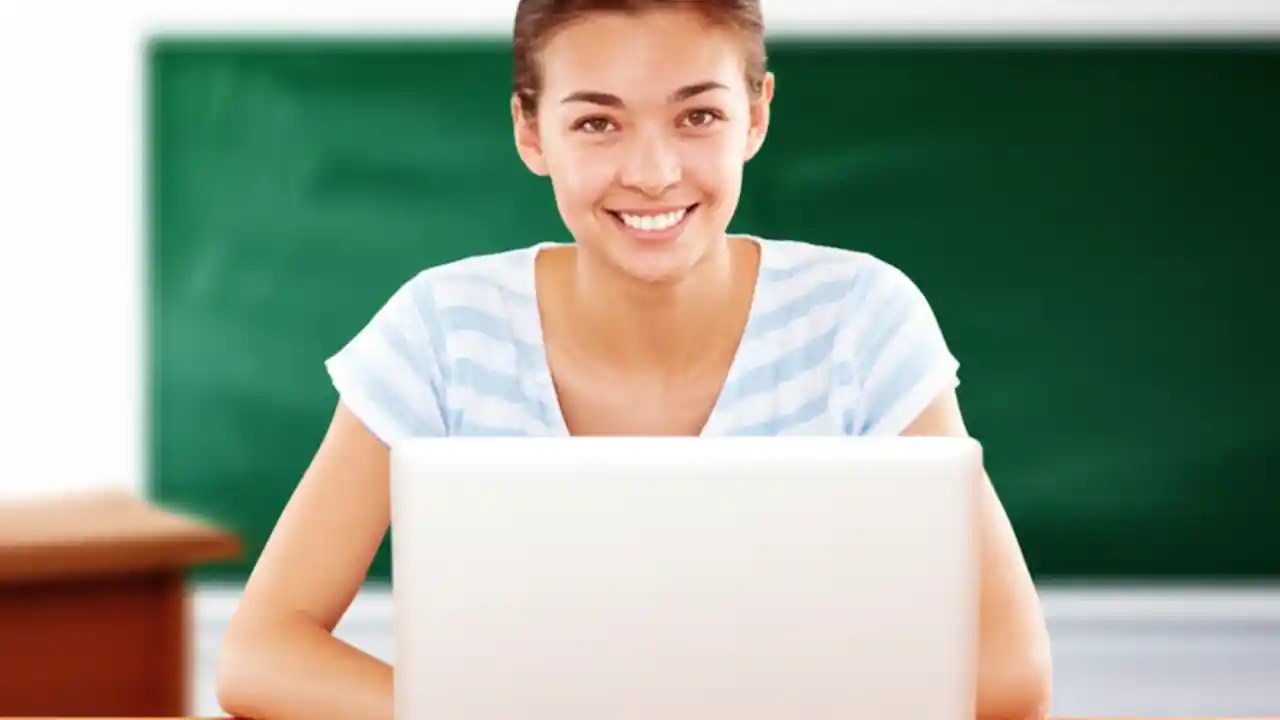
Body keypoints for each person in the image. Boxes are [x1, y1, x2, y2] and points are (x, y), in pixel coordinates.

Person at [216, 1, 1053, 718]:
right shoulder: (442, 330)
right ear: (529, 130)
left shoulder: (860, 321)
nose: (652, 173)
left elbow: (1010, 668)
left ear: (756, 115)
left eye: (697, 116)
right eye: (596, 122)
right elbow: (260, 652)